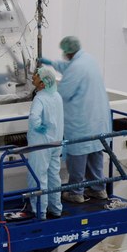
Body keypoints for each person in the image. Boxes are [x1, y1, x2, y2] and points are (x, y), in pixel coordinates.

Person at [40, 36, 111, 203]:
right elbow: (69, 68)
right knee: (95, 154)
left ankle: (76, 193)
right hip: (97, 120)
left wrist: (44, 92)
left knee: (77, 158)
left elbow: (63, 92)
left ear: (67, 52)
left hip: (81, 122)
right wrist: (51, 63)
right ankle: (99, 189)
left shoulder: (76, 67)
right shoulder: (87, 60)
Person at [27, 67, 63, 220]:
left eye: (36, 76)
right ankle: (56, 209)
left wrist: (38, 126)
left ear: (42, 83)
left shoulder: (40, 98)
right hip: (56, 141)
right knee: (54, 175)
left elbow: (34, 117)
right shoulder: (57, 96)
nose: (33, 77)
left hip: (41, 144)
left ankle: (40, 211)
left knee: (38, 176)